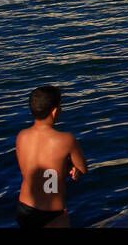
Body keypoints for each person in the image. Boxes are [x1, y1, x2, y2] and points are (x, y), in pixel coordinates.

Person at [15, 85, 88, 228]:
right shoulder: (66, 140)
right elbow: (83, 168)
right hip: (51, 213)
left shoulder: (21, 136)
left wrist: (63, 167)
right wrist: (71, 167)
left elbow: (31, 169)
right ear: (54, 111)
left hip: (24, 208)